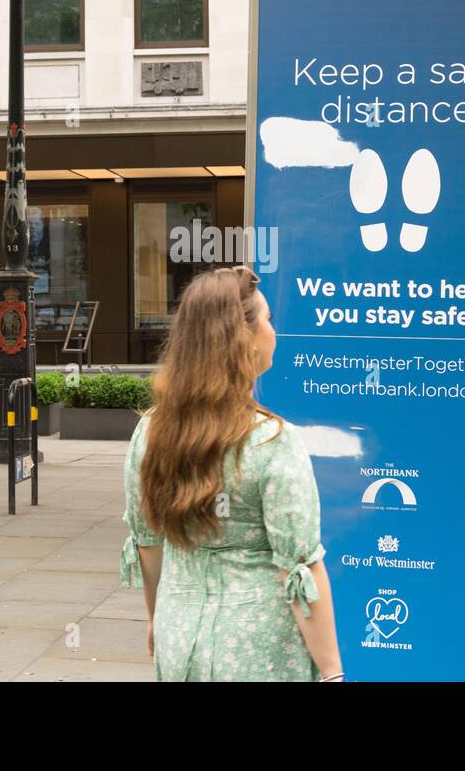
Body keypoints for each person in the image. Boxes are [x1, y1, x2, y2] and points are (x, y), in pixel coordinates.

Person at [121, 265, 343, 681]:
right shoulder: (272, 441)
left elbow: (148, 544)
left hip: (179, 632)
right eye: (268, 319)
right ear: (243, 338)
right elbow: (300, 569)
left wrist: (157, 617)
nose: (274, 331)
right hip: (259, 648)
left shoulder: (149, 433)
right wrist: (332, 671)